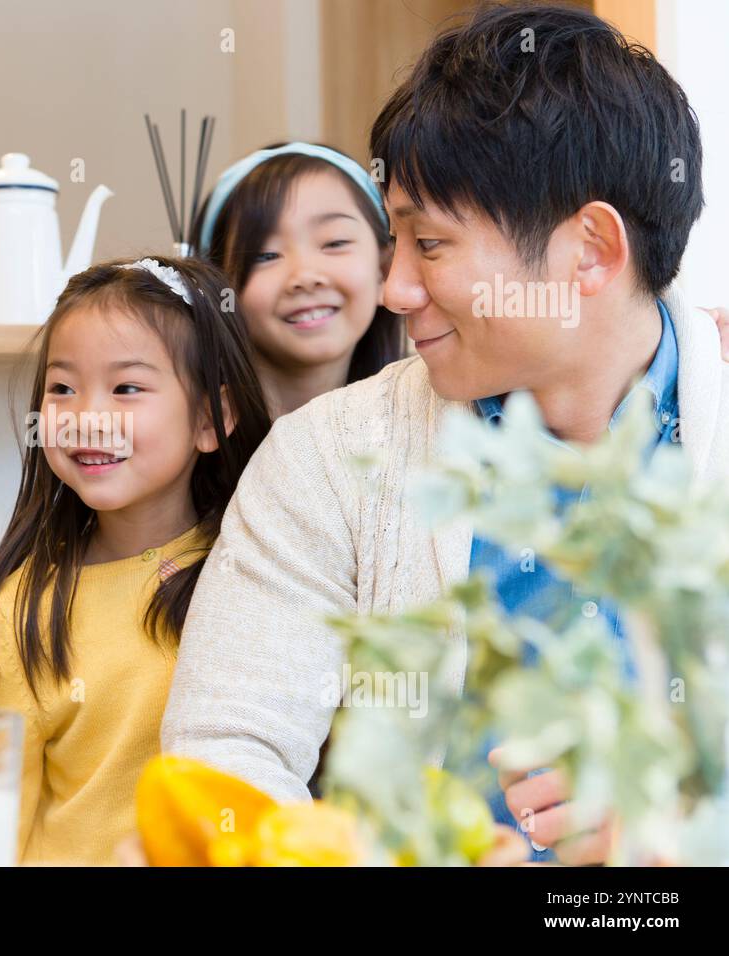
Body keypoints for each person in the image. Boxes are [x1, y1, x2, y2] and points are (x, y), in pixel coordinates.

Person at [161, 1, 728, 865]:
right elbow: (226, 756)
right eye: (395, 241)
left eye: (430, 244)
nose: (394, 290)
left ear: (590, 251)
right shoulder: (327, 460)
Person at [0, 255, 270, 865]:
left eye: (126, 388)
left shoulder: (262, 572)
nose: (87, 418)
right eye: (62, 388)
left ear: (211, 418)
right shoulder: (21, 611)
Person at [190, 142, 405, 418]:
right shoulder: (188, 445)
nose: (304, 276)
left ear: (386, 270)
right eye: (265, 255)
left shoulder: (437, 434)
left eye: (334, 242)